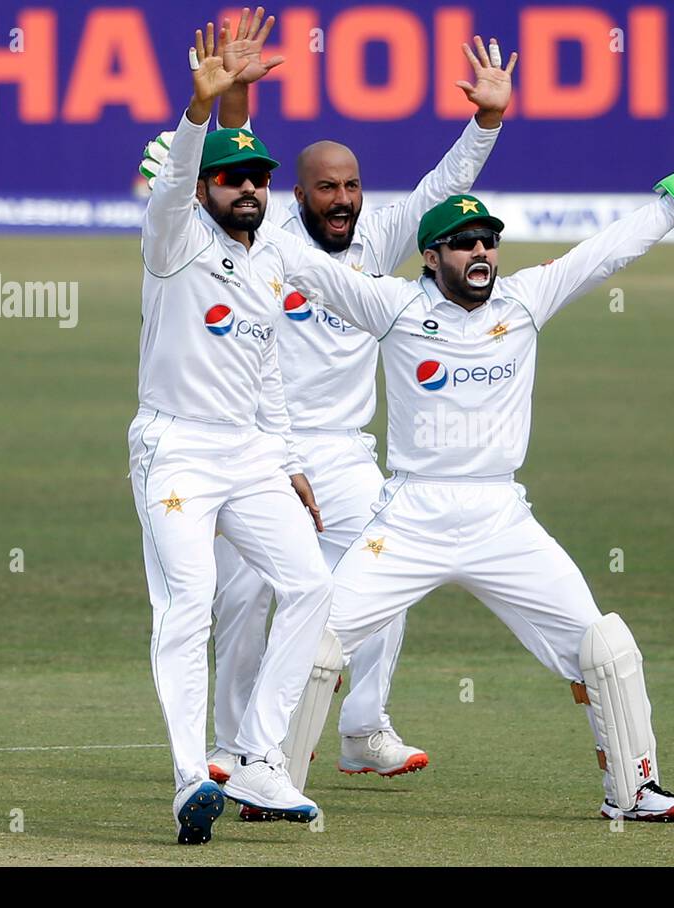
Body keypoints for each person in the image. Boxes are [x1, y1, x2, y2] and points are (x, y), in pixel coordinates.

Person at [262, 130, 674, 821]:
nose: (481, 253)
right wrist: (193, 189)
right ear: (432, 255)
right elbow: (293, 260)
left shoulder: (525, 300)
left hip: (502, 518)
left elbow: (608, 251)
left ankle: (633, 790)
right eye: (464, 243)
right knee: (318, 643)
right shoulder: (393, 307)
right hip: (412, 515)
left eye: (488, 242)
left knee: (603, 646)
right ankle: (271, 784)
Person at [140, 27, 517, 792]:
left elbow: (442, 191)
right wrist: (231, 95)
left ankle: (361, 727)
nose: (341, 200)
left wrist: (486, 122)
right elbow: (230, 156)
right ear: (298, 194)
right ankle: (231, 744)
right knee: (242, 597)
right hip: (255, 445)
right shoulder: (266, 241)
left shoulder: (376, 238)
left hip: (343, 451)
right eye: (325, 188)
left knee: (389, 572)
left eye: (350, 187)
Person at [129, 11, 330, 844]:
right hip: (175, 446)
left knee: (313, 585)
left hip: (249, 451)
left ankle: (255, 756)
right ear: (207, 192)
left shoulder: (271, 256)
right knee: (191, 604)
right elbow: (177, 181)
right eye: (231, 179)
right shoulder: (174, 241)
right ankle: (189, 778)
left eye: (258, 179)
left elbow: (269, 368)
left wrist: (285, 460)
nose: (247, 188)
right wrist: (199, 111)